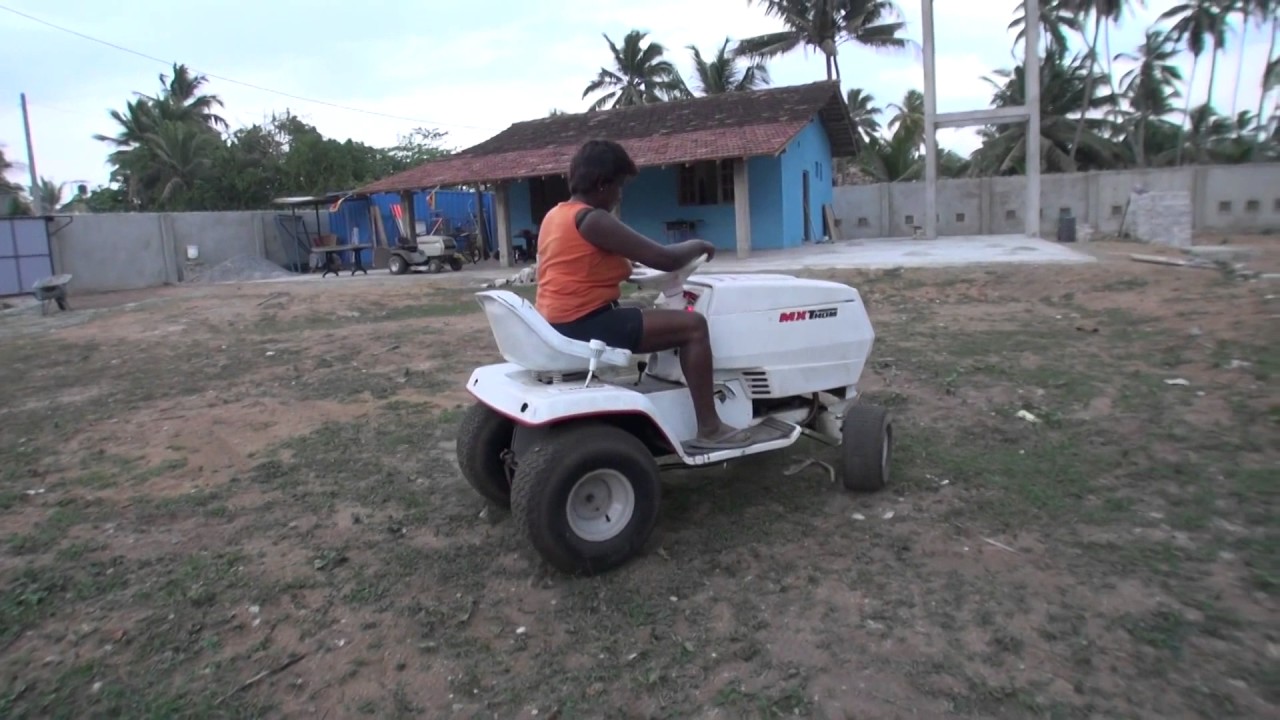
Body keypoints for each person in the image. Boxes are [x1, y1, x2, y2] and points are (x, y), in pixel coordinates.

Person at [534, 139, 752, 451]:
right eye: (619, 186)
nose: (619, 194)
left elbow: (585, 261)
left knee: (649, 308)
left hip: (560, 319)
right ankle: (710, 427)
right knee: (694, 327)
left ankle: (670, 389)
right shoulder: (593, 219)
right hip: (584, 323)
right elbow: (665, 259)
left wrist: (625, 263)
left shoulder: (557, 215)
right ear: (601, 184)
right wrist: (700, 244)